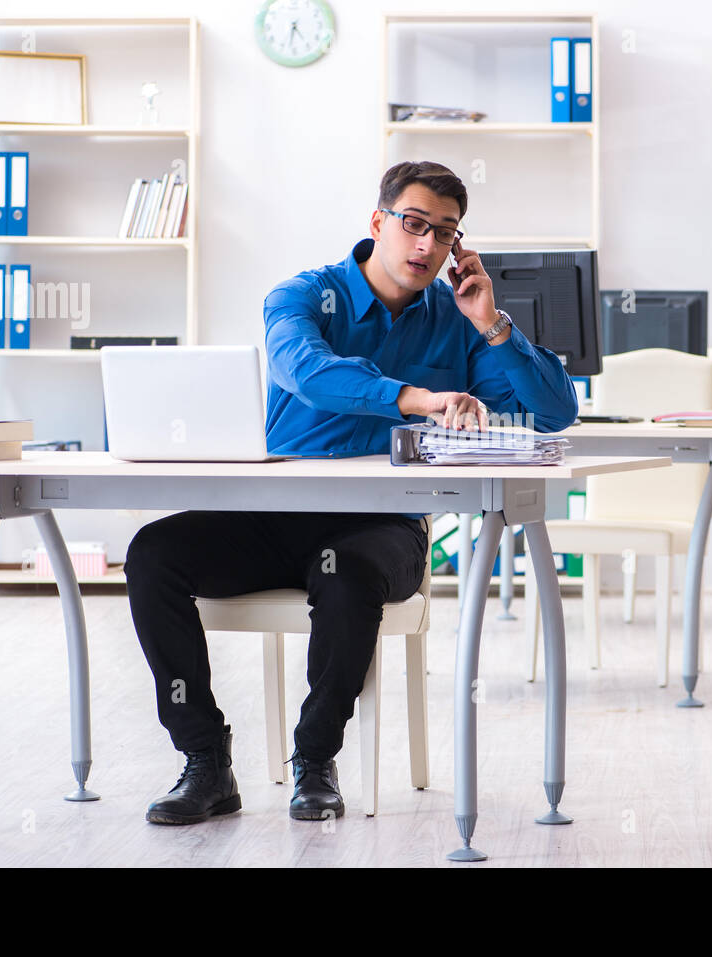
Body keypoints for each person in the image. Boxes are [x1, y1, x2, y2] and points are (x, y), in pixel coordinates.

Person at [126, 160, 577, 825]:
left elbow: (554, 410)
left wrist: (492, 323)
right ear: (379, 222)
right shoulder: (303, 296)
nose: (428, 245)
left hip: (382, 524)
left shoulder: (456, 321)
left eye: (446, 233)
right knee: (152, 554)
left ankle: (315, 760)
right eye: (416, 224)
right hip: (273, 514)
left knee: (348, 574)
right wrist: (416, 398)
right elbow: (307, 372)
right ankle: (205, 760)